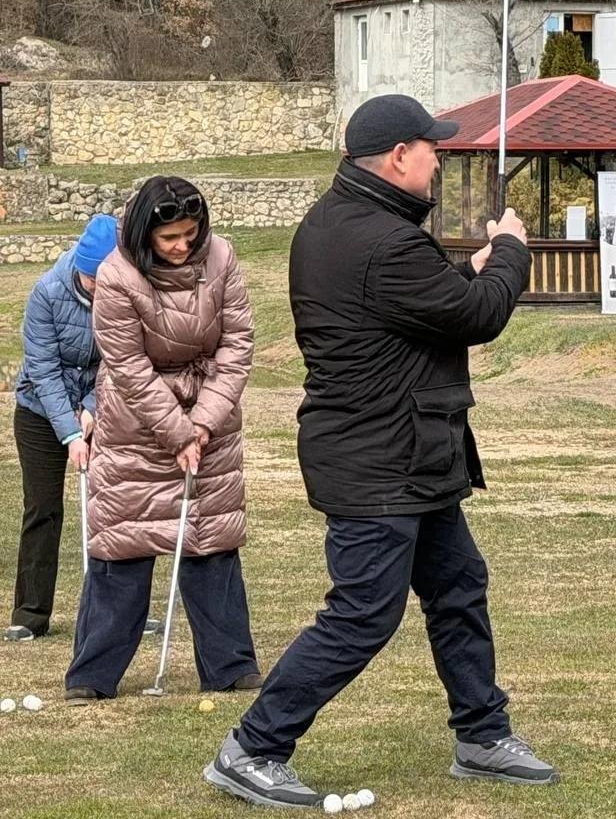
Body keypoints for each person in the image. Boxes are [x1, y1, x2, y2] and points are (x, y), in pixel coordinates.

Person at [205, 94, 558, 806]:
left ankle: (482, 735)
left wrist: (469, 270)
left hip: (410, 451)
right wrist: (512, 250)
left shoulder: (344, 222)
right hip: (378, 458)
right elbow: (477, 316)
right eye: (432, 149)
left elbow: (417, 312)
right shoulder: (382, 238)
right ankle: (253, 746)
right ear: (399, 156)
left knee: (458, 588)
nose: (438, 160)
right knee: (364, 611)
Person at [64, 176, 260, 704]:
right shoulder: (117, 275)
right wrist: (175, 430)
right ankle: (92, 674)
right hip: (135, 422)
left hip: (209, 414)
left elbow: (237, 345)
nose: (182, 246)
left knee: (210, 539)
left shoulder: (221, 258)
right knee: (123, 542)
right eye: (169, 237)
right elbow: (126, 365)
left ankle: (230, 664)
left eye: (190, 234)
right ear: (144, 233)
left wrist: (203, 423)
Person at [4, 215, 119, 643]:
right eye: (91, 279)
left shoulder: (123, 291)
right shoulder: (46, 293)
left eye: (103, 279)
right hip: (39, 411)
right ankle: (30, 614)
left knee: (113, 508)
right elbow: (44, 371)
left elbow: (119, 359)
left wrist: (92, 408)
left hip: (103, 405)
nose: (96, 287)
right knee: (43, 508)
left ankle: (117, 614)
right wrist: (71, 433)